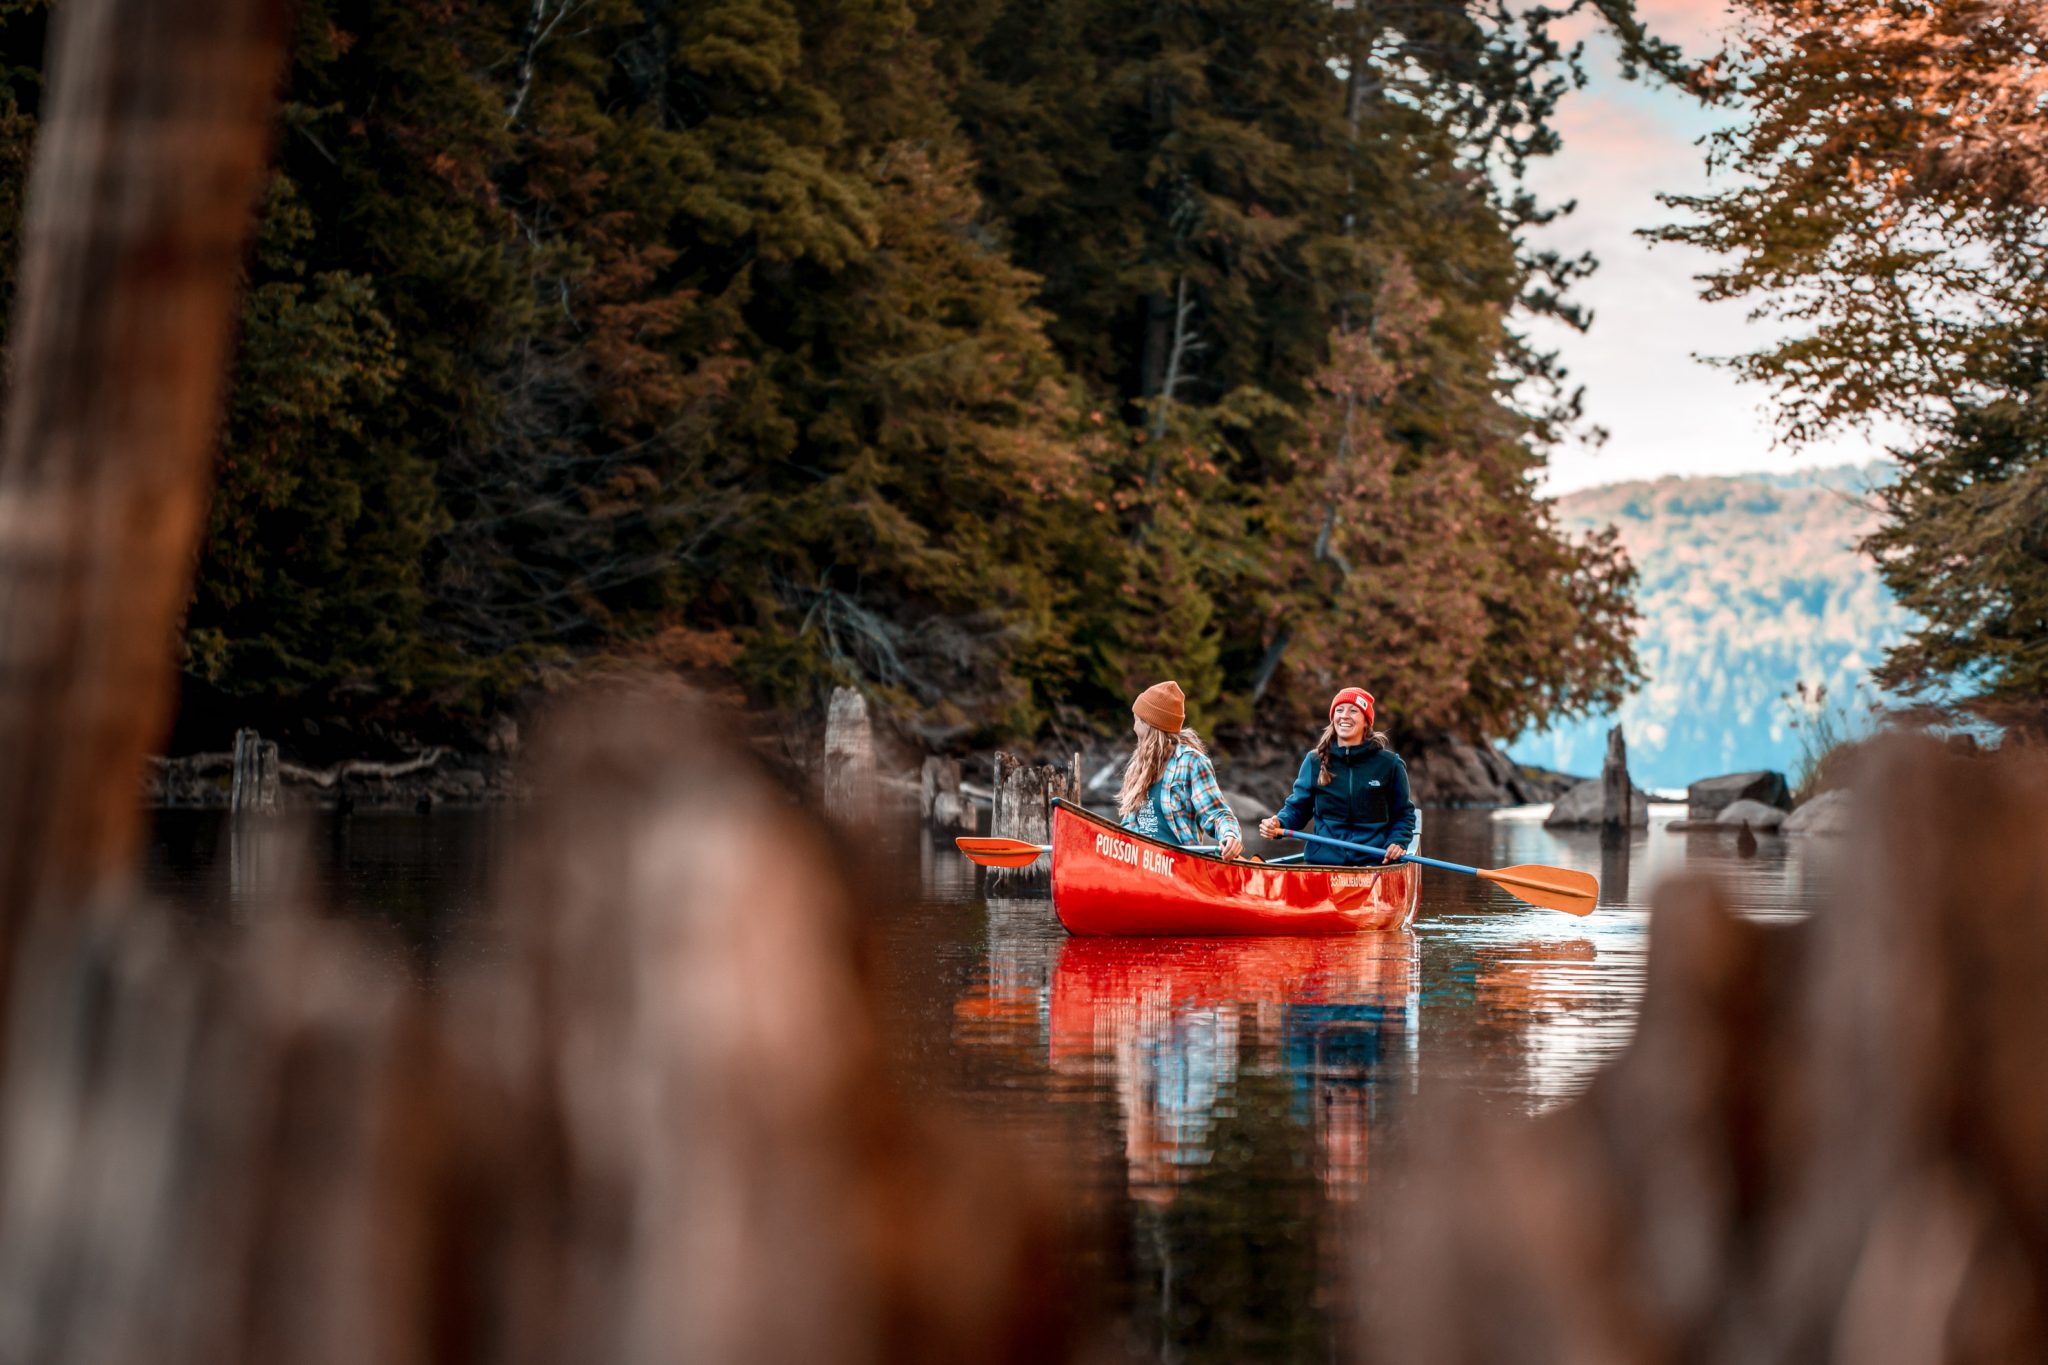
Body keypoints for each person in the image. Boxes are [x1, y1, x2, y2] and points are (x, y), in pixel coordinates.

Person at [1258, 686, 1418, 865]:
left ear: (1366, 722)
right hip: (1322, 863)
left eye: (1354, 711)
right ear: (1333, 718)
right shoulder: (1314, 761)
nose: (1344, 715)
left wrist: (1397, 842)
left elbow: (1404, 815)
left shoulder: (1389, 764)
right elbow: (1298, 809)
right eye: (1339, 710)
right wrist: (1279, 823)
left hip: (1374, 862)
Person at [1118, 680, 1244, 860]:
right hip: (1138, 865)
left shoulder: (1191, 762)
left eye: (1137, 721)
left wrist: (1230, 836)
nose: (1133, 727)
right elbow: (1129, 826)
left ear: (1150, 725)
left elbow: (1217, 813)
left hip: (1180, 867)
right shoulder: (1138, 765)